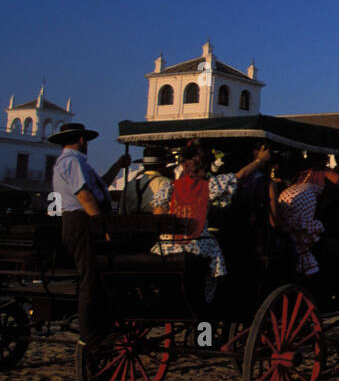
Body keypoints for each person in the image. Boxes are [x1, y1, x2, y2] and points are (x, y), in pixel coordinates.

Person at [151, 141, 270, 302]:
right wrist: (259, 161)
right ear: (202, 168)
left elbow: (159, 214)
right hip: (196, 243)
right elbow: (239, 176)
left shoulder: (169, 187)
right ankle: (209, 297)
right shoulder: (209, 185)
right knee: (216, 254)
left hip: (166, 246)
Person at [49, 122, 131, 347]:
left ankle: (99, 322)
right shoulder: (72, 162)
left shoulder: (72, 162)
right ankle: (89, 333)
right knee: (90, 278)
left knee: (95, 275)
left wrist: (117, 166)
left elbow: (99, 186)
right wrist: (101, 225)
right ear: (82, 140)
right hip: (82, 221)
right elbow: (85, 196)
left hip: (79, 221)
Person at [118, 147, 173, 215]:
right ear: (163, 166)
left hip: (131, 224)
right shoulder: (167, 183)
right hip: (155, 223)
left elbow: (122, 212)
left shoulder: (129, 185)